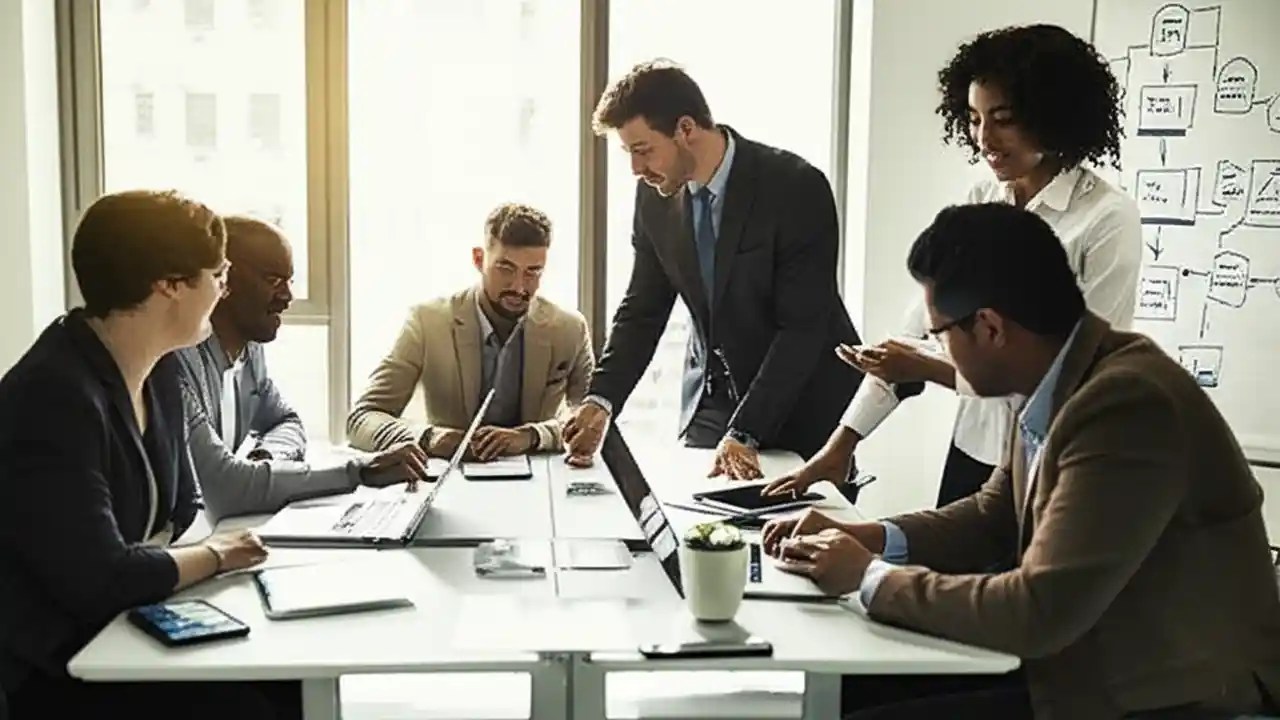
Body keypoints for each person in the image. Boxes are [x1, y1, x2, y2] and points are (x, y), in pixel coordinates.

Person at [763, 203, 1280, 719]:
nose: (936, 349)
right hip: (1086, 659)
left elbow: (1038, 610)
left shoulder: (1127, 403)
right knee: (851, 689)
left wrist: (870, 577)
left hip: (1172, 693)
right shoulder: (1053, 381)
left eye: (939, 333)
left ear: (989, 327)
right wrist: (869, 537)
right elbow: (996, 515)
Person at [766, 24, 1142, 506]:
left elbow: (1072, 375)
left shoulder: (1107, 219)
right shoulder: (981, 199)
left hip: (1058, 462)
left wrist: (924, 367)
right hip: (975, 452)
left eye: (1002, 118)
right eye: (973, 118)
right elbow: (915, 333)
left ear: (1053, 115)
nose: (984, 137)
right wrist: (840, 447)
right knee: (938, 568)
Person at [0, 191, 298, 719]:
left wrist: (153, 562)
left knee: (287, 679)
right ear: (169, 285)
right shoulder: (53, 395)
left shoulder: (159, 371)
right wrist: (215, 556)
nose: (223, 289)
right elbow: (101, 577)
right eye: (219, 273)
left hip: (126, 622)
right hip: (60, 664)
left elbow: (183, 507)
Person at [563, 59, 863, 479]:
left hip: (801, 406)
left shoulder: (795, 186)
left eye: (643, 150)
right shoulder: (654, 200)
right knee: (696, 531)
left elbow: (802, 327)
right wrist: (601, 401)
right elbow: (642, 310)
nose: (635, 170)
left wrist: (746, 429)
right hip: (711, 403)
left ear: (686, 129)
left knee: (797, 538)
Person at [176, 216, 428, 522]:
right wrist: (359, 471)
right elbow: (225, 488)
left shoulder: (250, 352)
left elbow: (286, 421)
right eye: (272, 280)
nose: (287, 297)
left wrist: (266, 459)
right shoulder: (178, 362)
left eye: (289, 281)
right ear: (226, 279)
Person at [348, 203, 593, 460]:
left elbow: (590, 422)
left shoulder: (569, 329)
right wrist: (431, 438)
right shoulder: (428, 322)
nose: (520, 287)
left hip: (543, 483)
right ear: (479, 259)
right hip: (450, 476)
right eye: (505, 268)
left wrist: (532, 435)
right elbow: (362, 419)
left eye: (533, 272)